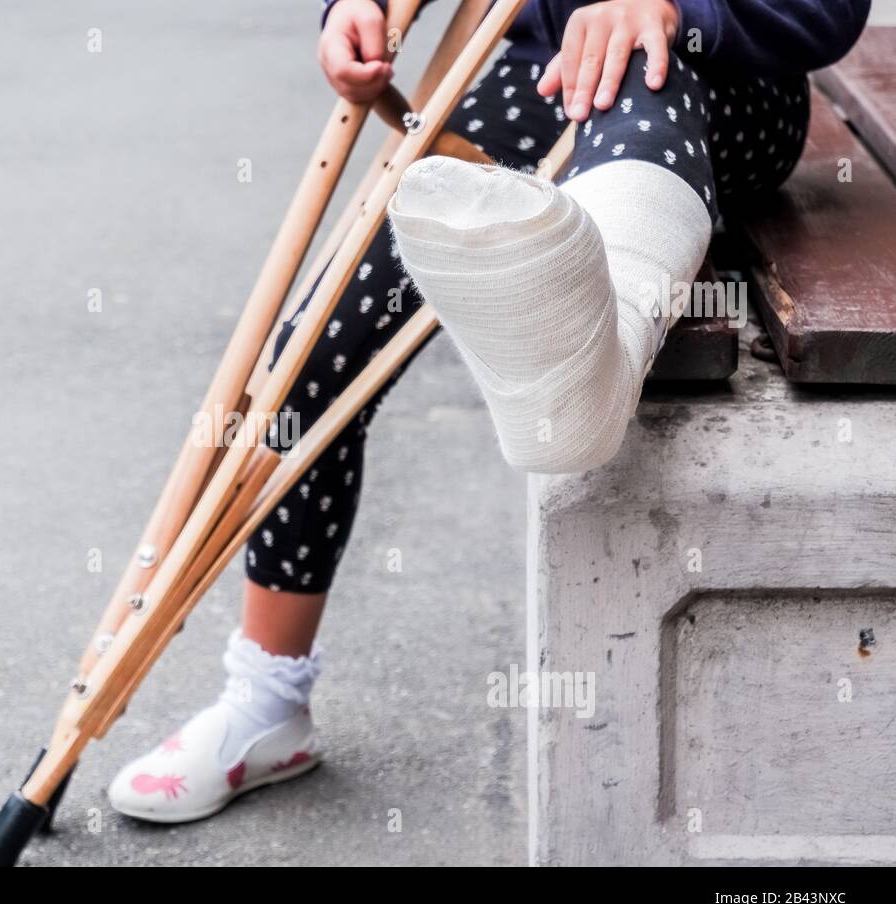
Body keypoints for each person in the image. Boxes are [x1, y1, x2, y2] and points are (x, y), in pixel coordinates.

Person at [105, 0, 870, 823]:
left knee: (637, 76)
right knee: (308, 360)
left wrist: (672, 9)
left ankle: (597, 348)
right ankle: (266, 704)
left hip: (710, 85)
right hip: (527, 81)